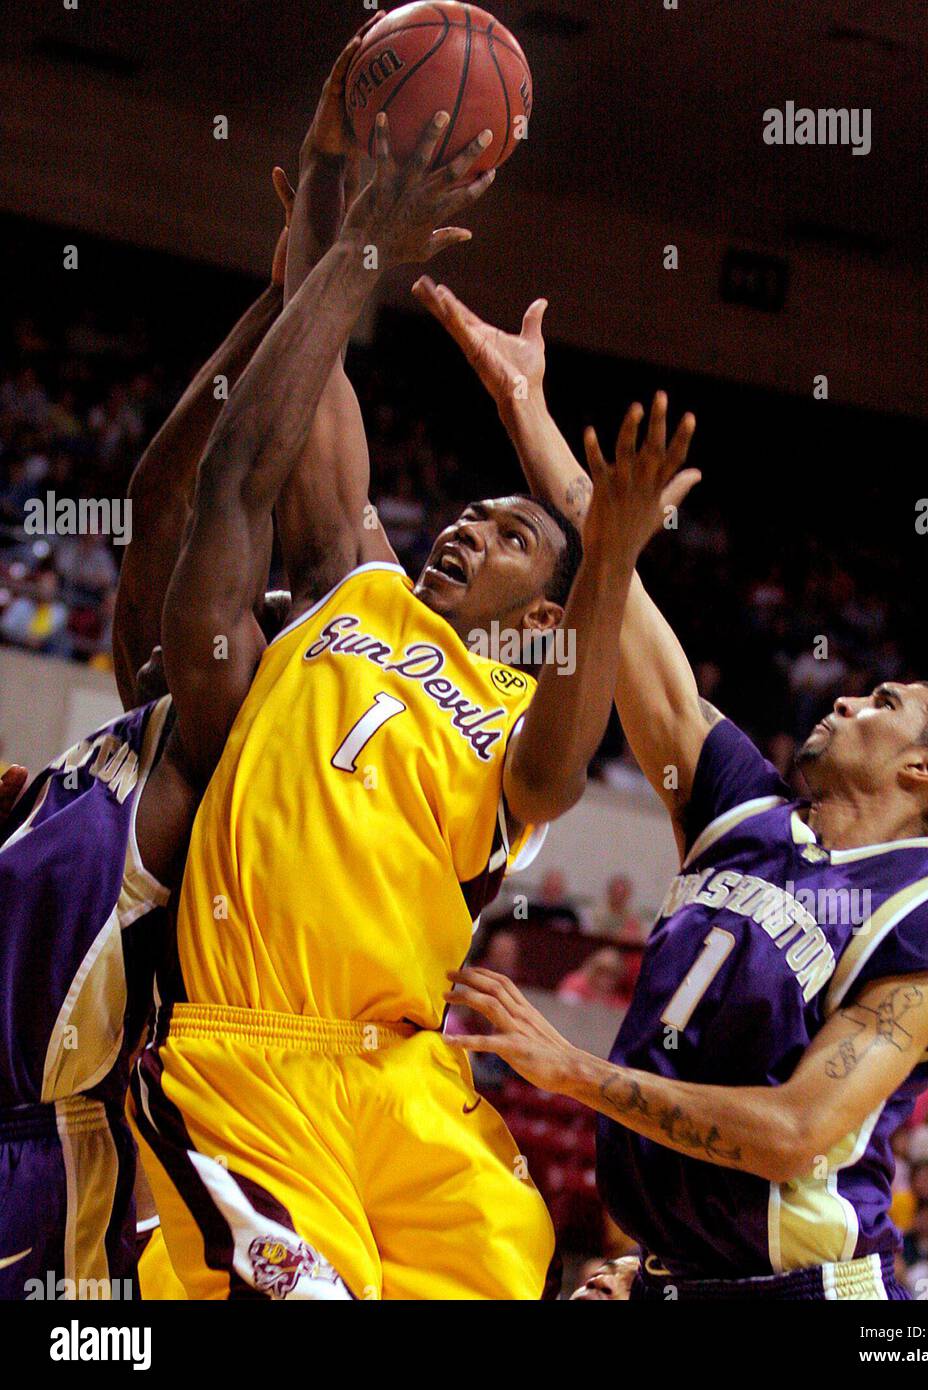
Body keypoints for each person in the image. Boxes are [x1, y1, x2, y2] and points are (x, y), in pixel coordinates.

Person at [130, 55, 699, 1302]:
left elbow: (561, 757)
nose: (463, 530)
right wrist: (335, 178)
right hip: (250, 1053)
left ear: (547, 609)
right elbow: (307, 384)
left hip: (404, 1084)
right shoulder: (358, 585)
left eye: (505, 531)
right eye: (469, 512)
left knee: (514, 1267)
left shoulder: (520, 724)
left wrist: (608, 554)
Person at [423, 282, 928, 1301]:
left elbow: (797, 1132)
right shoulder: (743, 811)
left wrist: (573, 1072)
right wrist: (524, 405)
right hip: (680, 1275)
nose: (845, 698)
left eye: (882, 701)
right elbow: (618, 587)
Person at [0, 157, 302, 1301]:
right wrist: (276, 299)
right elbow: (160, 495)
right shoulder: (121, 730)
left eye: (243, 614)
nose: (208, 601)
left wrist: (326, 286)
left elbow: (234, 488)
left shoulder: (201, 762)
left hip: (45, 1166)